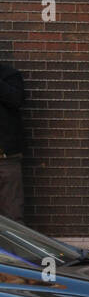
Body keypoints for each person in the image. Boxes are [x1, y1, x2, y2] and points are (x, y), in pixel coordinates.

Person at [0, 59, 26, 221]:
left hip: (5, 159)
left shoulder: (9, 75)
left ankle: (12, 248)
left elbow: (16, 100)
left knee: (12, 215)